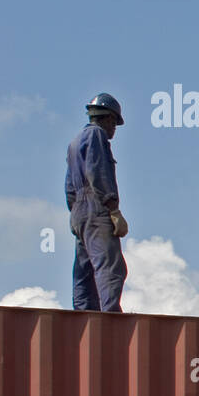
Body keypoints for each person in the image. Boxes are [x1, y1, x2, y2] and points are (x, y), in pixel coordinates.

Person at [65, 92, 129, 312]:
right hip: (96, 206)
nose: (114, 130)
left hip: (78, 212)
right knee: (111, 266)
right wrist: (113, 209)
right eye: (115, 124)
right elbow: (98, 172)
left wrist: (76, 215)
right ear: (109, 118)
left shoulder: (75, 142)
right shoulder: (96, 136)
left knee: (84, 268)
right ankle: (109, 318)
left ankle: (83, 317)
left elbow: (69, 188)